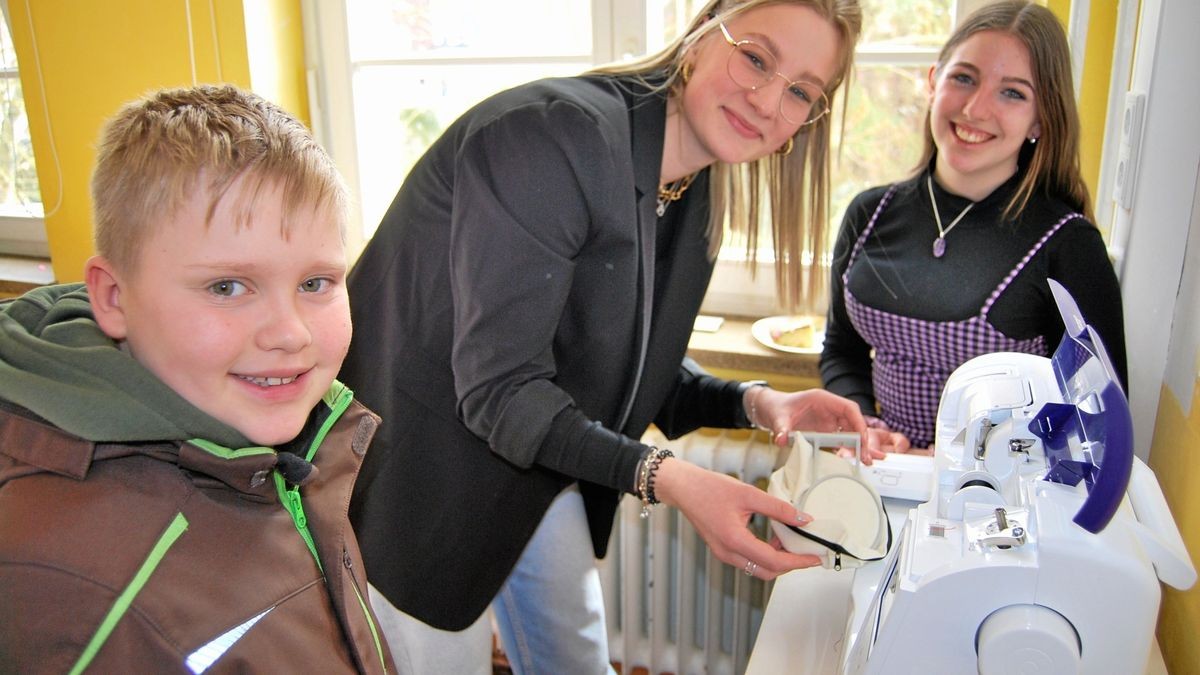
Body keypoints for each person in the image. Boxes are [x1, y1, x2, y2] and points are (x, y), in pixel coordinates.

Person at [339, 0, 873, 672]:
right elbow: (502, 392)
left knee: (577, 658)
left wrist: (755, 403)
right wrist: (668, 477)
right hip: (422, 482)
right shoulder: (553, 135)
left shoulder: (691, 182)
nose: (768, 100)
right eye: (756, 57)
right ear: (702, 34)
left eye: (800, 91)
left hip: (539, 466)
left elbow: (626, 358)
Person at [0, 85, 394, 673]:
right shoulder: (72, 589)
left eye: (316, 284)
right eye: (227, 287)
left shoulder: (276, 437)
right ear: (113, 297)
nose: (290, 334)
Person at [820, 0, 1128, 454]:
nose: (976, 108)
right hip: (880, 473)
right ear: (933, 81)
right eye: (964, 78)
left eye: (1013, 93)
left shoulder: (1067, 245)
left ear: (1041, 119)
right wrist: (863, 425)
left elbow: (1098, 419)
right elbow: (840, 351)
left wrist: (966, 460)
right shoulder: (869, 214)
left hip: (999, 508)